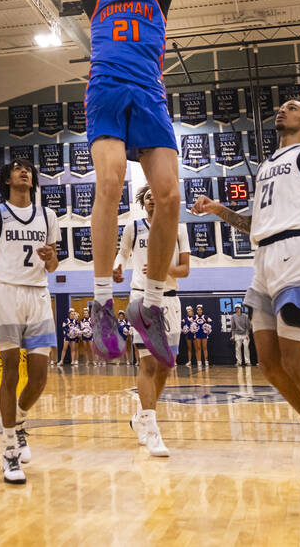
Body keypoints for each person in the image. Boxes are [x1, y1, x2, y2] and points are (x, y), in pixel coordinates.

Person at [192, 93, 300, 514]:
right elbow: (255, 224)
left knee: (295, 360)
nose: (282, 110)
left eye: (292, 107)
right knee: (270, 364)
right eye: (282, 106)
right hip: (264, 259)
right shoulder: (267, 165)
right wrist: (219, 210)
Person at [66, 0, 178, 367]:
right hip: (107, 91)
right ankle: (102, 303)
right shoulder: (97, 0)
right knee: (110, 182)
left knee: (169, 197)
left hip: (149, 94)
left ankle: (149, 304)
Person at [0, 157, 60, 484]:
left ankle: (18, 419)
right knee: (9, 371)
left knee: (39, 377)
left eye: (28, 169)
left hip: (38, 295)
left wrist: (52, 258)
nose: (24, 171)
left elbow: (53, 266)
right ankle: (9, 449)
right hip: (6, 292)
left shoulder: (48, 216)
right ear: (7, 179)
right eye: (18, 168)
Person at [113, 184, 190, 457]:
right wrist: (117, 267)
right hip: (142, 297)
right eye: (148, 196)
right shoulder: (133, 227)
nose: (153, 199)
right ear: (143, 203)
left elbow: (185, 270)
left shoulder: (179, 228)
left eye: (156, 194)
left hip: (170, 299)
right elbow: (122, 254)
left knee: (165, 366)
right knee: (148, 363)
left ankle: (141, 417)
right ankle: (153, 429)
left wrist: (164, 268)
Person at [191, 304, 212, 369]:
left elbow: (211, 322)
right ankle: (199, 362)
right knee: (198, 348)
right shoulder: (194, 317)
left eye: (200, 310)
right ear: (197, 311)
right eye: (198, 310)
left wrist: (207, 328)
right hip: (197, 334)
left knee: (205, 347)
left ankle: (206, 361)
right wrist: (193, 328)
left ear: (202, 311)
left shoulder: (205, 317)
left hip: (204, 334)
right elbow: (191, 324)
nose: (199, 311)